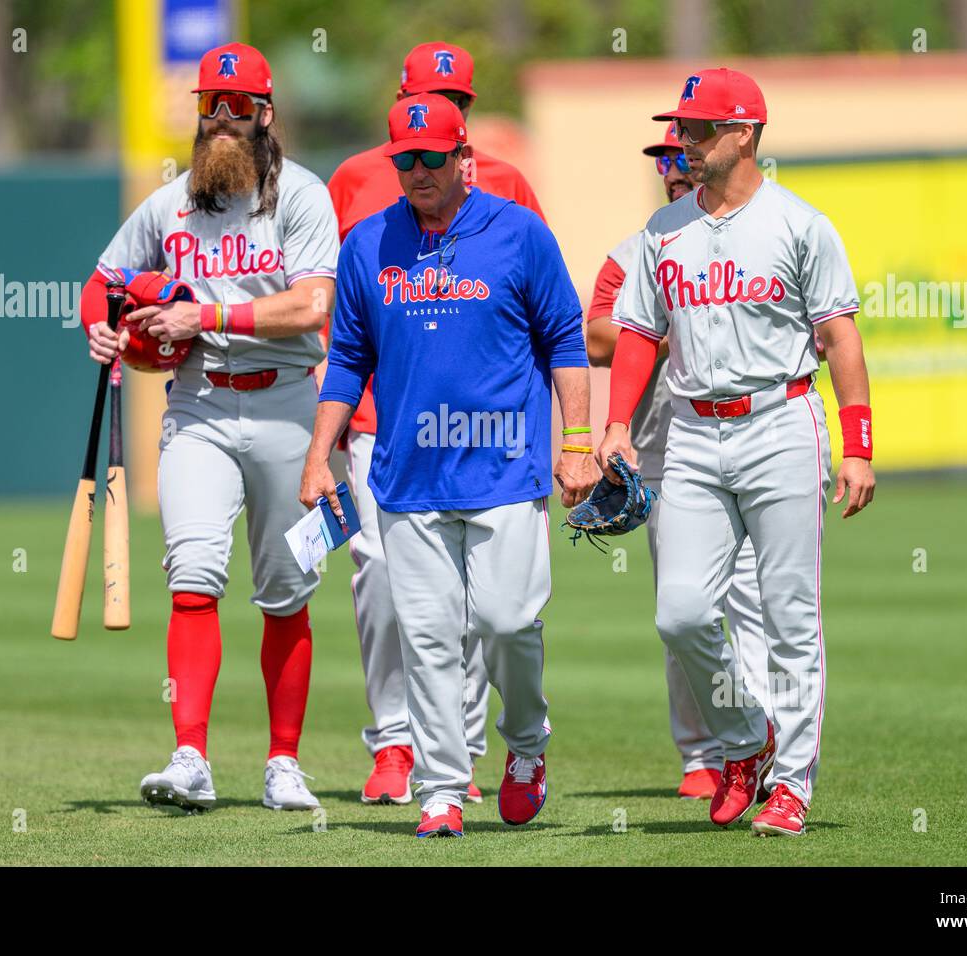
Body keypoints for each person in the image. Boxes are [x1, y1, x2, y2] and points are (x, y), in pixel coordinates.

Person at [301, 94, 598, 837]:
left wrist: (578, 441)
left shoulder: (519, 232)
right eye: (406, 158)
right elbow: (345, 360)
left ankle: (525, 746)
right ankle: (441, 786)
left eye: (434, 156)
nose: (419, 170)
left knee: (506, 622)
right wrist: (317, 456)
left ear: (465, 158)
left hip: (503, 465)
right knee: (427, 635)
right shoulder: (369, 244)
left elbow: (566, 337)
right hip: (408, 475)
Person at [598, 68, 876, 837]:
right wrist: (618, 423)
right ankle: (743, 739)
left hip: (781, 421)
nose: (682, 139)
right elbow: (640, 336)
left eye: (697, 127)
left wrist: (858, 445)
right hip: (689, 430)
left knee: (789, 616)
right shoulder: (664, 231)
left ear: (744, 133)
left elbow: (841, 336)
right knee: (681, 612)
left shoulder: (798, 224)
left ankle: (792, 784)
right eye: (680, 127)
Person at [80, 42, 339, 814]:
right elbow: (104, 281)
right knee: (193, 574)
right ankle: (190, 755)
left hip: (289, 403)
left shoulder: (300, 195)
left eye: (236, 107)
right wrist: (100, 328)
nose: (220, 121)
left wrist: (210, 313)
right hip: (195, 404)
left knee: (286, 592)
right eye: (208, 107)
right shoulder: (171, 203)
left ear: (265, 115)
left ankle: (283, 764)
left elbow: (313, 307)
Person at [326, 42, 545, 806]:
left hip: (487, 435)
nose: (449, 112)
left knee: (486, 605)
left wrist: (555, 437)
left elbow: (540, 317)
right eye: (431, 96)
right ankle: (394, 741)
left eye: (459, 99)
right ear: (400, 100)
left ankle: (466, 747)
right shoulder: (356, 180)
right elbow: (339, 309)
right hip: (378, 423)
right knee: (386, 583)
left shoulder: (508, 182)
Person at [586, 125, 772, 801]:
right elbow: (598, 331)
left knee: (752, 604)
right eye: (662, 159)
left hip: (746, 442)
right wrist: (661, 329)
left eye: (678, 155)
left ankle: (760, 739)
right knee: (683, 611)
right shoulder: (638, 247)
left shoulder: (753, 234)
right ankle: (700, 753)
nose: (670, 168)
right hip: (664, 455)